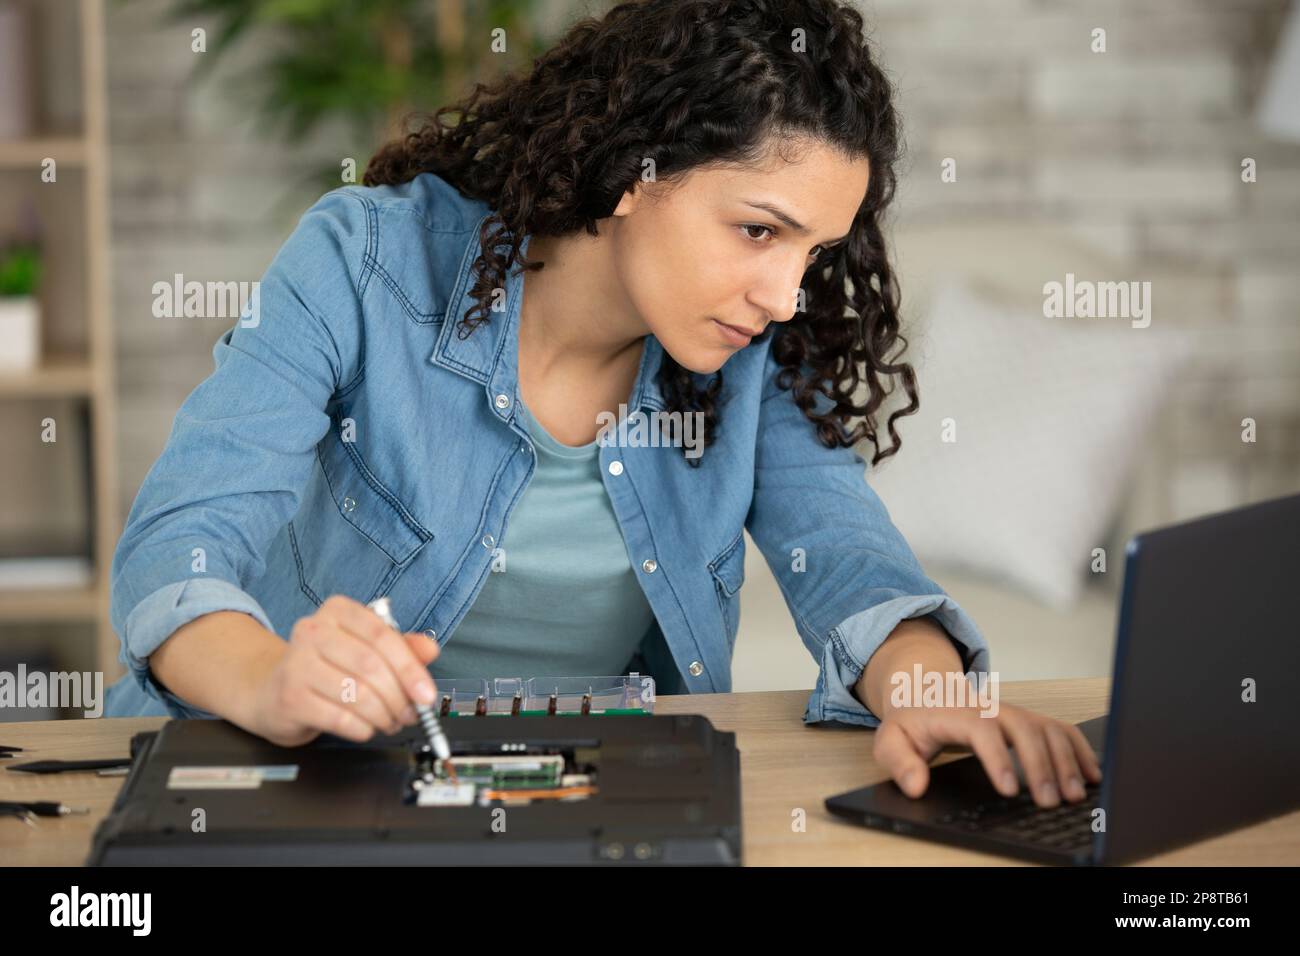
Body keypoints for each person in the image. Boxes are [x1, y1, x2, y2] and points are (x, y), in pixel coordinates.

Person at [104, 0, 1101, 810]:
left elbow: (845, 550)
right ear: (636, 172)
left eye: (813, 253)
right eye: (759, 231)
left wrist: (933, 694)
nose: (785, 293)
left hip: (575, 795)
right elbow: (181, 541)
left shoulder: (751, 354)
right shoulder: (365, 264)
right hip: (308, 782)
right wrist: (272, 679)